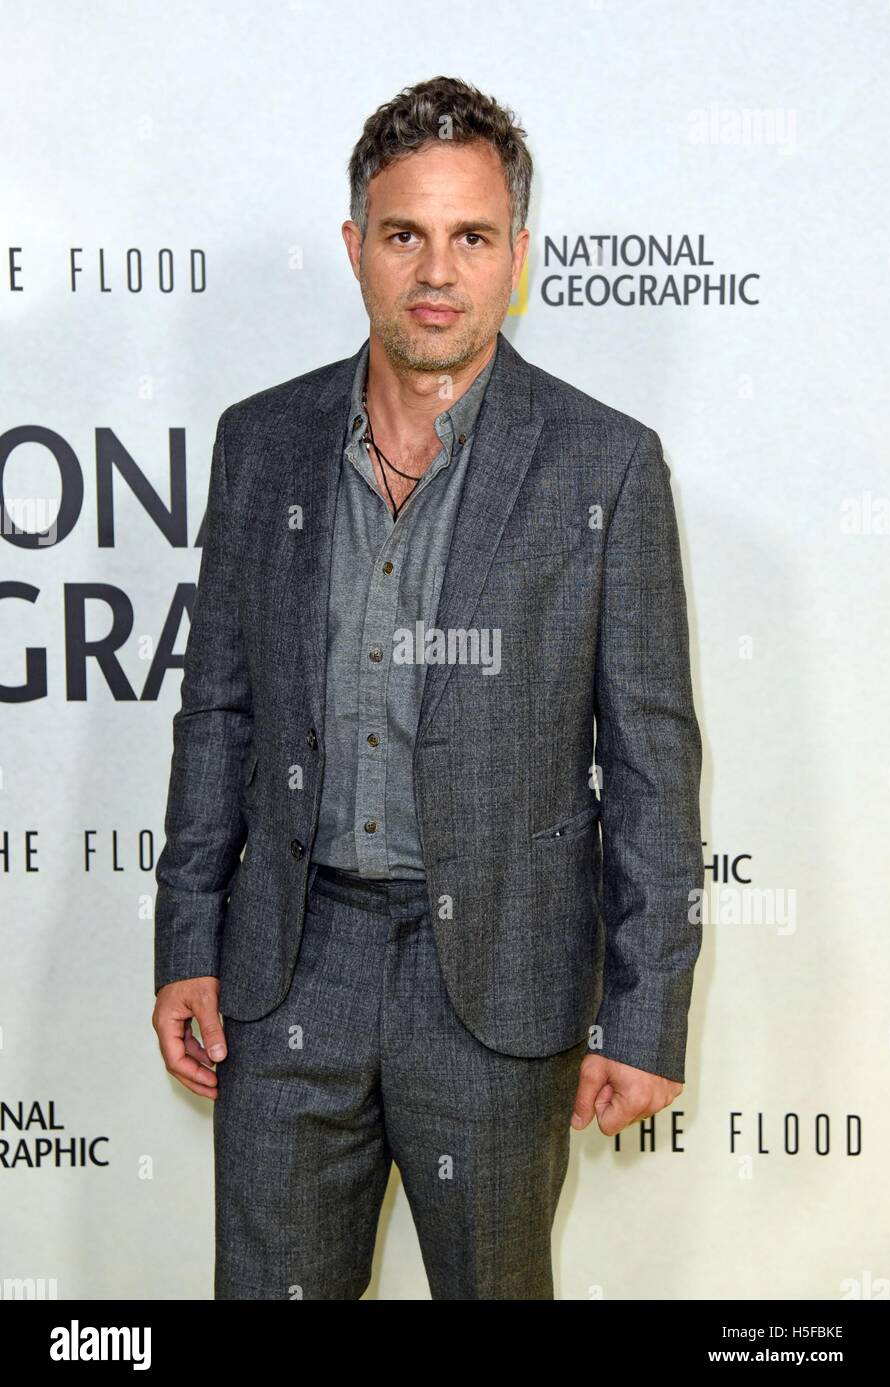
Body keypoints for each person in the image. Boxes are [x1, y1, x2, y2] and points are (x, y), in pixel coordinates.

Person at [152, 74, 703, 1301]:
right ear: (356, 248)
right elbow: (218, 711)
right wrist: (187, 936)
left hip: (500, 985)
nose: (437, 271)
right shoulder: (264, 441)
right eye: (405, 234)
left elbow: (653, 757)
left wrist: (646, 1009)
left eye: (471, 236)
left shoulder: (603, 465)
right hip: (290, 967)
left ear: (517, 256)